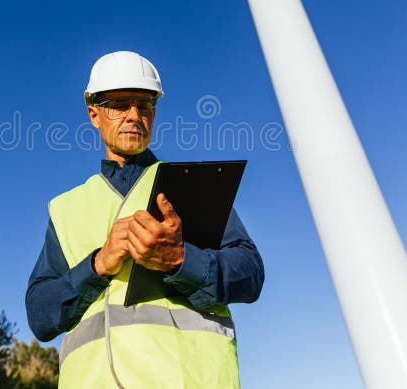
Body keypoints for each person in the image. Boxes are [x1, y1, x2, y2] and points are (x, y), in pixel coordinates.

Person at [26, 51, 264, 388]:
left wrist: (180, 259)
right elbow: (40, 316)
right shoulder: (66, 209)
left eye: (145, 104)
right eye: (120, 104)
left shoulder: (192, 186)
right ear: (94, 114)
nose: (134, 116)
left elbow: (251, 274)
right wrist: (96, 265)